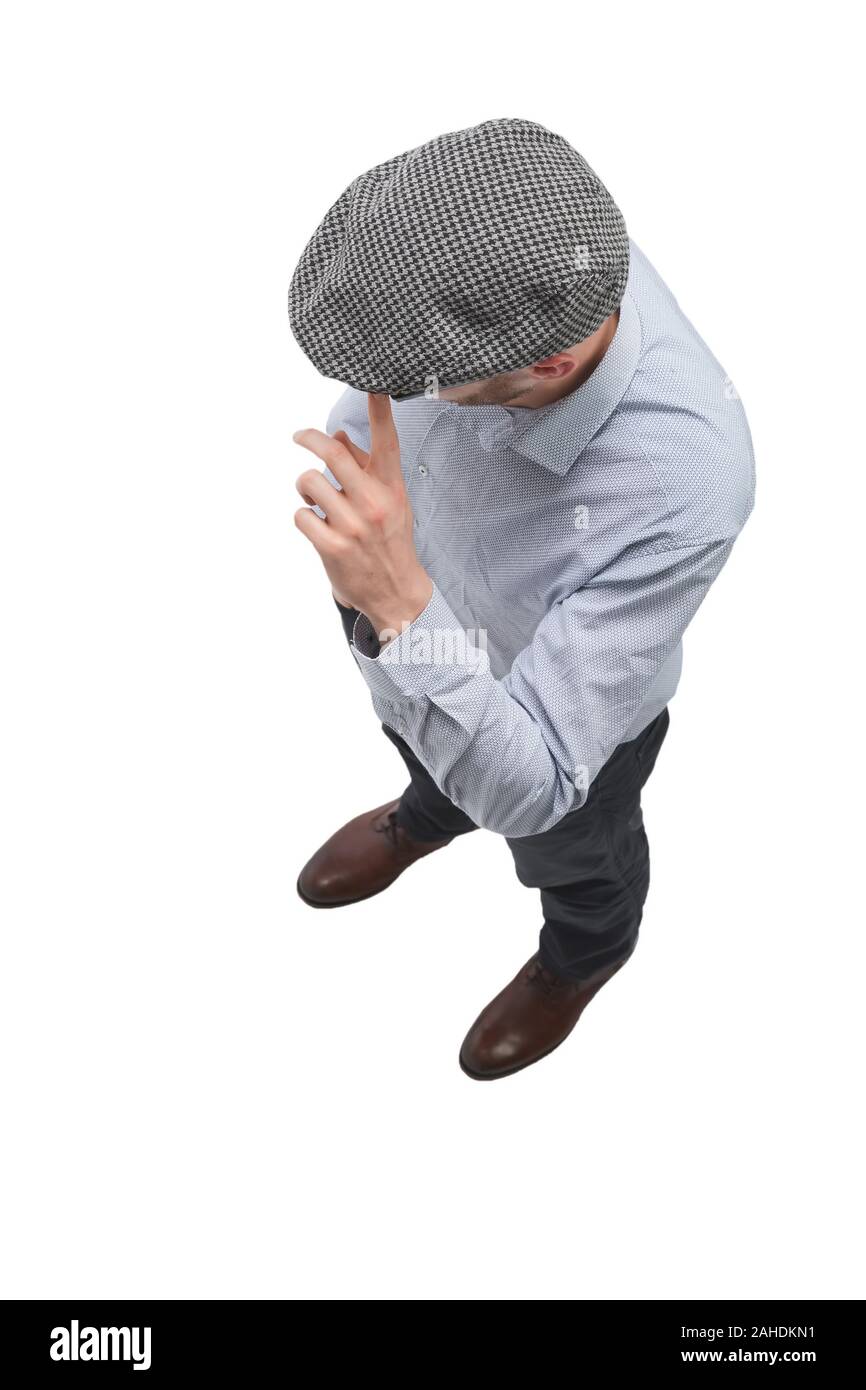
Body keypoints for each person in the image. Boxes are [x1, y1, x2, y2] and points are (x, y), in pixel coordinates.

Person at [287, 118, 755, 1080]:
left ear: (546, 366)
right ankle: (427, 813)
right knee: (426, 740)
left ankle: (583, 957)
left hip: (569, 735)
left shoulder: (685, 483)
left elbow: (536, 785)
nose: (376, 398)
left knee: (576, 856)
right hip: (417, 612)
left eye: (416, 382)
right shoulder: (543, 245)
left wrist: (404, 608)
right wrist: (401, 616)